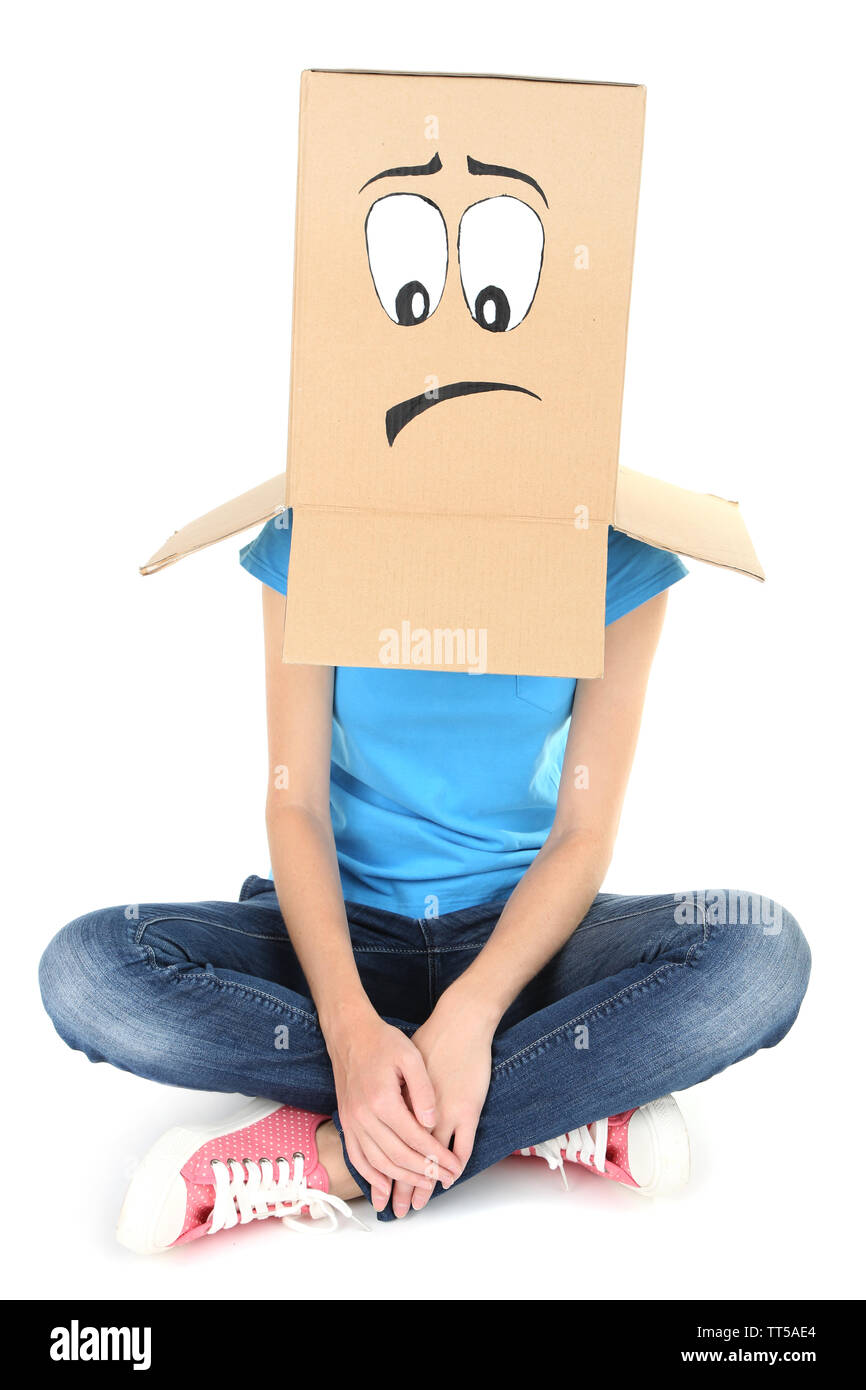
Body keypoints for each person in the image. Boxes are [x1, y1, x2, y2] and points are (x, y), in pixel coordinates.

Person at [39, 516, 810, 1251]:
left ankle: (329, 1160)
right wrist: (347, 1031)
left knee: (759, 946)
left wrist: (472, 1016)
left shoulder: (615, 555)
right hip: (340, 939)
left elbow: (583, 834)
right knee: (90, 968)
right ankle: (543, 1102)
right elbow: (294, 803)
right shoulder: (313, 534)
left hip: (520, 946)